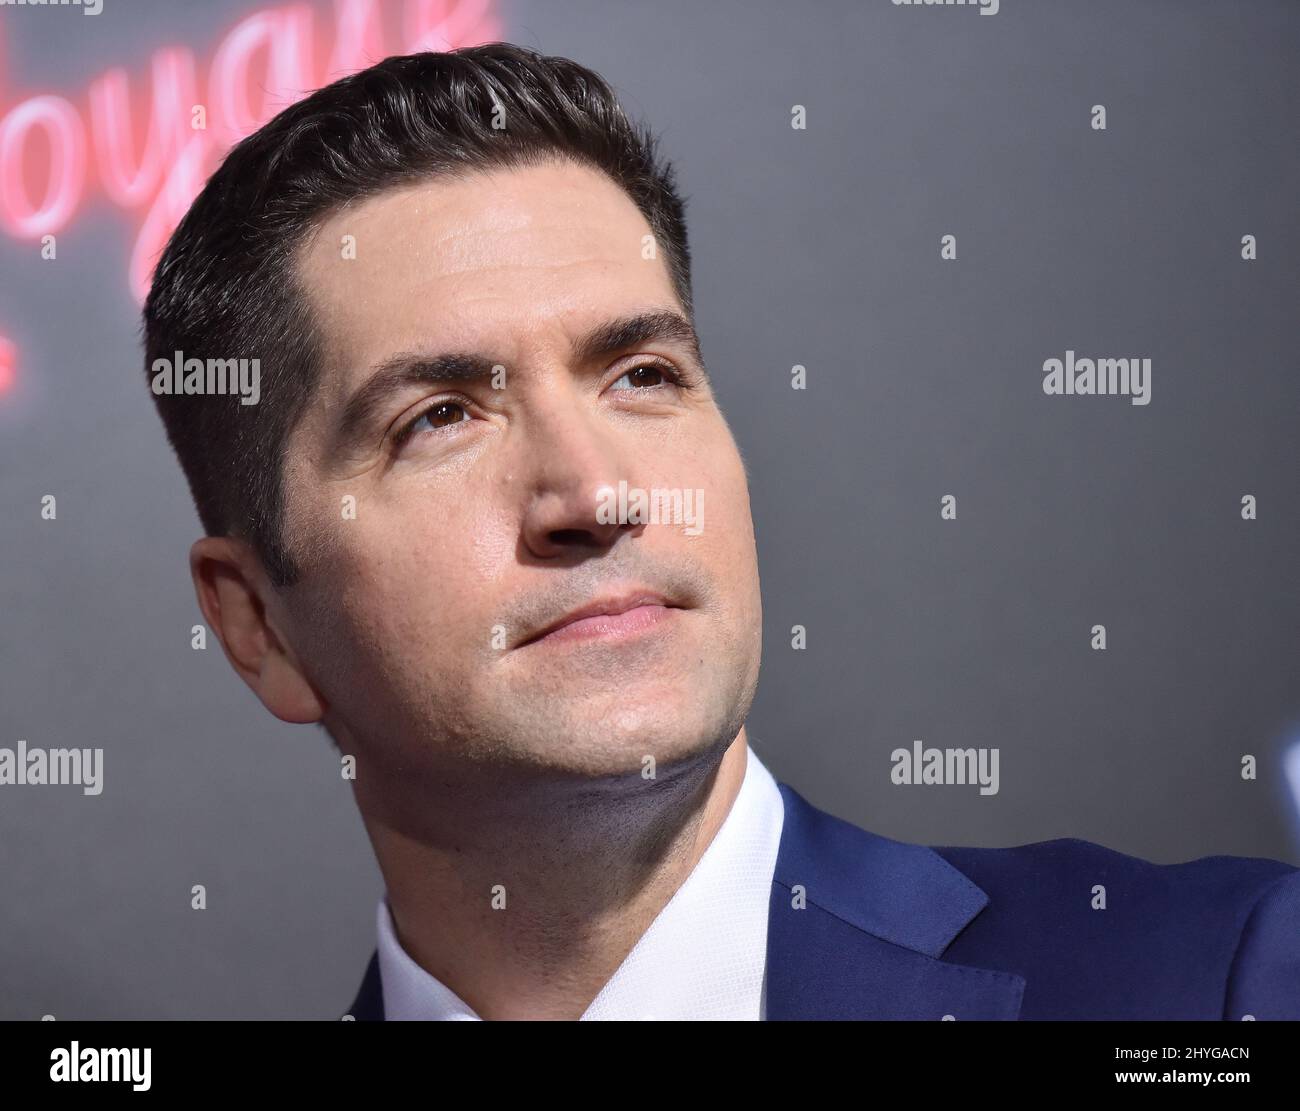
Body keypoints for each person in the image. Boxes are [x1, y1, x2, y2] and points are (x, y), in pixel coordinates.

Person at [142, 44, 1299, 1021]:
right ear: (258, 629)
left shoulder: (1217, 981)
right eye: (441, 416)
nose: (594, 493)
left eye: (641, 373)